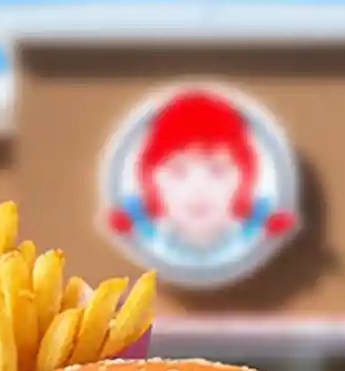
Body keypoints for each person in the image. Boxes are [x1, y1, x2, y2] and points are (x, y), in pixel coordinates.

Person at [107, 90, 295, 268]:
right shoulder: (151, 236)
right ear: (150, 180)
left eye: (217, 171)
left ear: (244, 178)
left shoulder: (250, 234)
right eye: (178, 172)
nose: (198, 189)